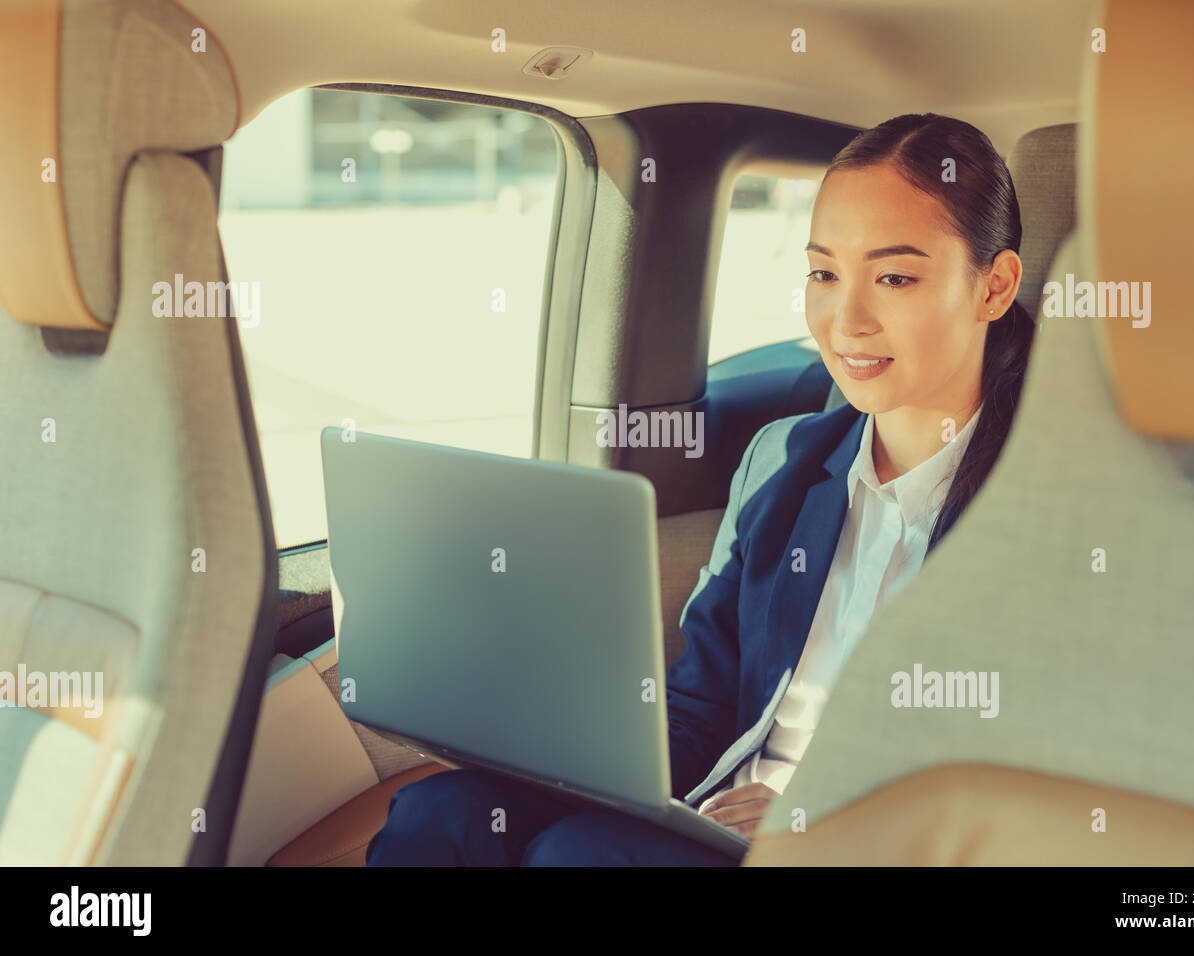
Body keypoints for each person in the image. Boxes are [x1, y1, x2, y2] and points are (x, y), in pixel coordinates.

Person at [365, 113, 1035, 866]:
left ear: (994, 287)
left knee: (582, 857)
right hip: (722, 815)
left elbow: (1052, 770)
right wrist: (565, 745)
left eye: (895, 278)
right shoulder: (780, 462)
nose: (846, 321)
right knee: (438, 814)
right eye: (824, 274)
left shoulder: (1057, 510)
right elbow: (699, 707)